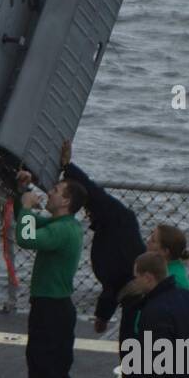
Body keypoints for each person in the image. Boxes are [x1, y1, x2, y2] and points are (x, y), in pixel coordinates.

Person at [10, 167, 88, 378]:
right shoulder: (65, 226)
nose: (51, 192)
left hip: (50, 312)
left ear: (66, 201)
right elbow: (29, 223)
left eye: (57, 190)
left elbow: (26, 237)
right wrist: (22, 193)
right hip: (57, 311)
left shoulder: (62, 231)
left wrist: (28, 207)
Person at [58, 140, 145, 334]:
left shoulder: (118, 220)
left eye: (55, 191)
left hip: (50, 301)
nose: (87, 212)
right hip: (129, 296)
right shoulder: (111, 232)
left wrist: (25, 210)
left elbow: (26, 238)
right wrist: (103, 315)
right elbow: (113, 284)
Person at [148, 223, 189, 290]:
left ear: (165, 251)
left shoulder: (172, 280)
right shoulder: (162, 265)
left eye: (153, 240)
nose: (148, 241)